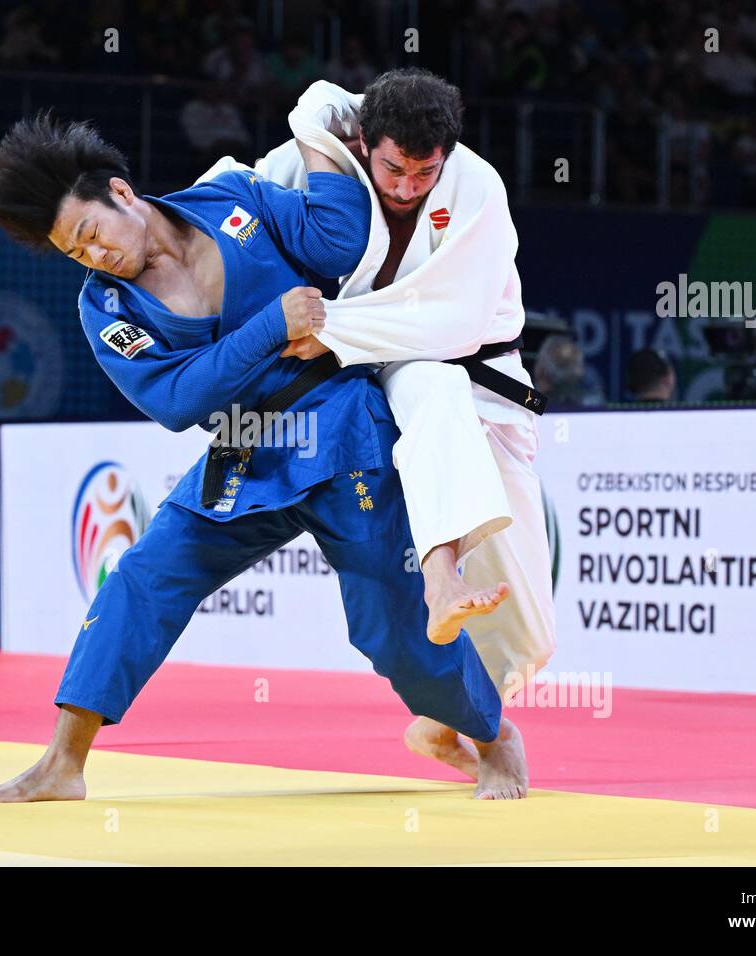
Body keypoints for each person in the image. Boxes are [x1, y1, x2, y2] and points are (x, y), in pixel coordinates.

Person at [0, 113, 517, 803]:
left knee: (390, 628)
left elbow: (338, 241)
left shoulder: (235, 197)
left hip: (343, 424)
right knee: (143, 577)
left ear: (121, 193)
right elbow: (177, 398)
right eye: (75, 253)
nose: (95, 256)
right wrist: (272, 324)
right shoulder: (105, 305)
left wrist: (321, 139)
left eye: (91, 234)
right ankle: (62, 763)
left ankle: (495, 736)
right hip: (242, 448)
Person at [232, 70, 557, 797]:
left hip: (477, 377)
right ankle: (456, 644)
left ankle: (441, 724)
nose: (407, 186)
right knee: (429, 386)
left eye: (424, 172)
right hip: (382, 377)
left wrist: (329, 327)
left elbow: (453, 323)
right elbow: (237, 198)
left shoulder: (477, 188)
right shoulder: (324, 157)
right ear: (362, 142)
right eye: (393, 169)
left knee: (533, 636)